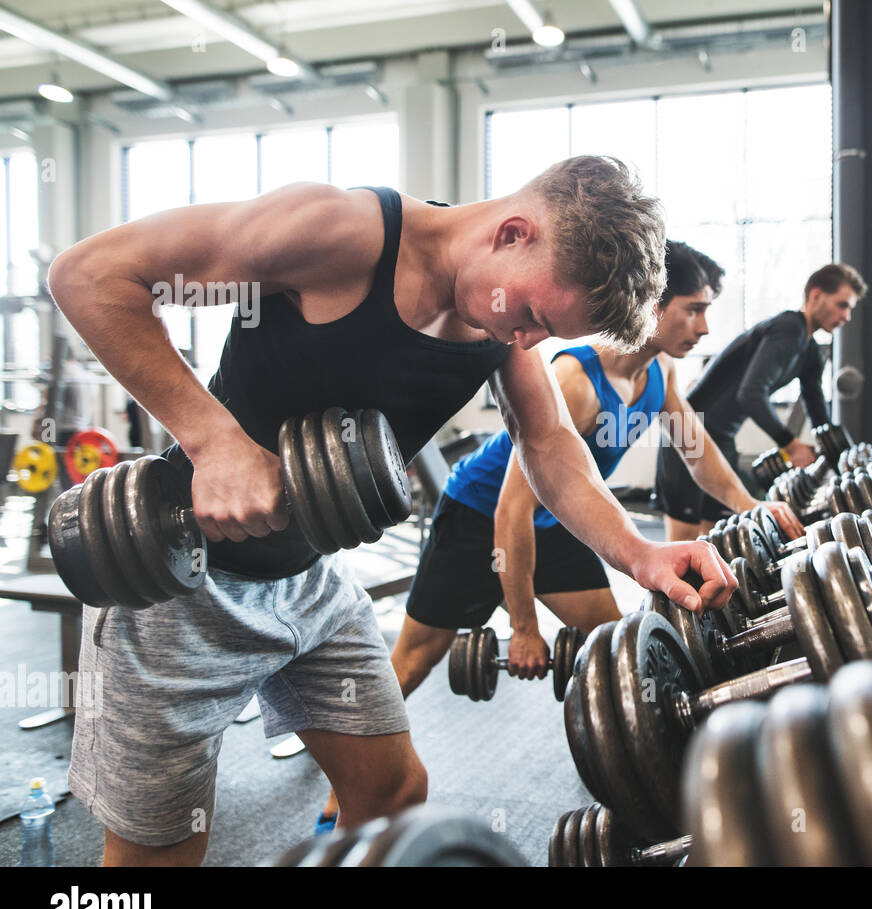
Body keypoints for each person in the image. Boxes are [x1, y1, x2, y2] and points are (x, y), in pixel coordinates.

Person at [46, 155, 736, 866]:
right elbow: (90, 275)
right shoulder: (341, 234)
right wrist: (216, 442)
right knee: (158, 854)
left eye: (548, 333)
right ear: (512, 234)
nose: (528, 340)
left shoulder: (497, 330)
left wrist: (640, 553)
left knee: (393, 791)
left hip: (309, 582)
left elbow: (550, 443)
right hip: (177, 587)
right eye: (532, 315)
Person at [313, 240, 803, 831]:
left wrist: (754, 505)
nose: (703, 327)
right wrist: (523, 628)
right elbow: (510, 512)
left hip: (564, 521)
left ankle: (630, 767)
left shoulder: (660, 373)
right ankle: (346, 785)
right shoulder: (575, 377)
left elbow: (697, 454)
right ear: (651, 305)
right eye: (692, 310)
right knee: (415, 659)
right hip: (480, 518)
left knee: (619, 649)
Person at [654, 262, 866, 541]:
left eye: (850, 308)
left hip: (722, 441)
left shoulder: (811, 354)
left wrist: (838, 462)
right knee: (683, 541)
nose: (847, 316)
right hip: (686, 434)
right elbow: (751, 393)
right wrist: (791, 445)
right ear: (816, 295)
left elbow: (819, 417)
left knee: (716, 539)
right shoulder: (787, 329)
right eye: (842, 305)